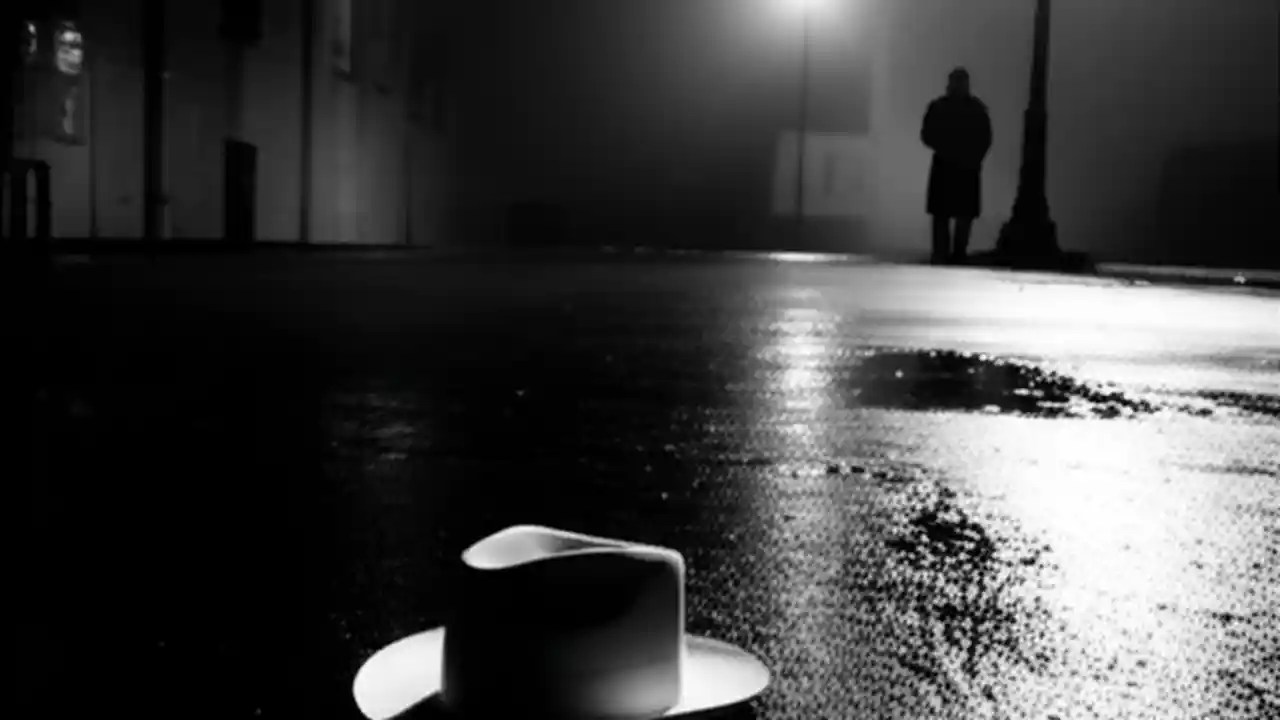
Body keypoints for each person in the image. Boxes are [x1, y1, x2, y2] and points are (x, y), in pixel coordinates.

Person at [921, 68, 992, 265]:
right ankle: (956, 254)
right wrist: (973, 157)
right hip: (966, 168)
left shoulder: (939, 107)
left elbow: (927, 135)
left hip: (947, 166)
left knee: (944, 215)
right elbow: (985, 140)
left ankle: (942, 253)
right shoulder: (977, 110)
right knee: (961, 215)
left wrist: (945, 147)